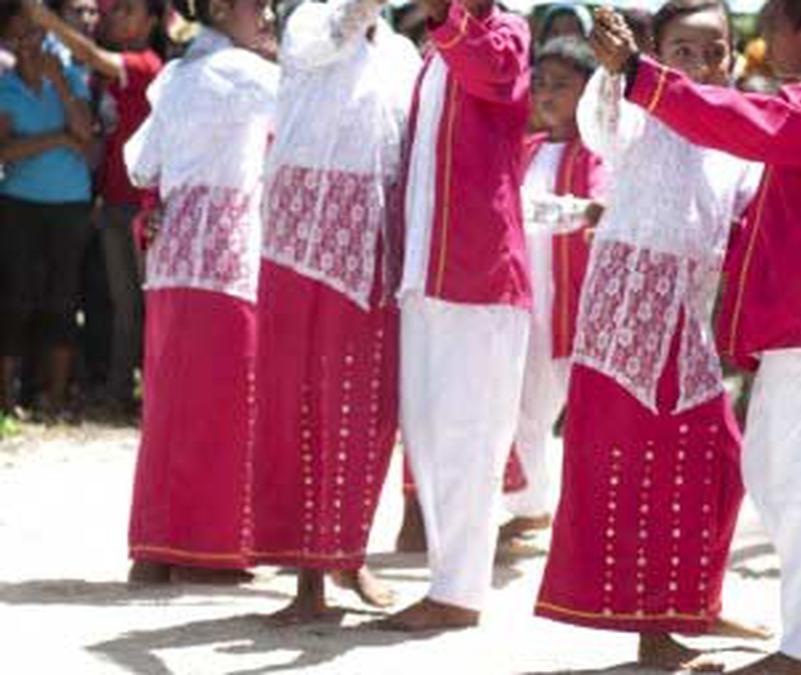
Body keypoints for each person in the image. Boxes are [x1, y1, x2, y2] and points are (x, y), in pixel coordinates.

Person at [591, 1, 801, 672]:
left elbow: (742, 122)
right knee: (776, 472)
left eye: (773, 26)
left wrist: (643, 76)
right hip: (796, 325)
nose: (762, 41)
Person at [535, 2, 765, 670]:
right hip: (629, 310)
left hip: (687, 313)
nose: (699, 65)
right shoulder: (638, 109)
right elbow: (600, 127)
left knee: (721, 461)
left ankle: (696, 599)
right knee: (642, 469)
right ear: (657, 55)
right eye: (683, 52)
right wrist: (616, 73)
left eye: (713, 51)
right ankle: (657, 634)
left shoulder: (737, 127)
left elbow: (753, 213)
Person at [251, 0, 421, 621]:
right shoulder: (306, 22)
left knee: (366, 412)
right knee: (302, 406)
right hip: (305, 246)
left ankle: (346, 554)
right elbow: (346, 21)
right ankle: (306, 581)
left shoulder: (404, 53)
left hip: (376, 251)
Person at [381, 0, 533, 632]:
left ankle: (459, 591)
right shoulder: (431, 53)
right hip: (426, 266)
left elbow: (493, 73)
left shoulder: (507, 32)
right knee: (427, 429)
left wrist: (445, 16)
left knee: (469, 435)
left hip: (478, 267)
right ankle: (448, 580)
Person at [122, 0, 277, 584]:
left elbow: (142, 165)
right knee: (224, 399)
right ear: (219, 7)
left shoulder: (176, 75)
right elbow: (307, 125)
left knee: (168, 401)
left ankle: (155, 548)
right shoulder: (250, 74)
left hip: (172, 259)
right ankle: (208, 551)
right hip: (225, 257)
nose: (263, 13)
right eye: (255, 3)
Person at [29, 0, 168, 416]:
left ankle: (154, 394)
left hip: (143, 207)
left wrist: (43, 17)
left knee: (148, 307)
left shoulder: (146, 64)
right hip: (113, 205)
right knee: (123, 309)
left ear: (151, 20)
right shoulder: (115, 74)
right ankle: (119, 391)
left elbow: (90, 54)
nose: (113, 17)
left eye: (127, 11)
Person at [501, 36, 604, 540]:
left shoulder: (596, 155)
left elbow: (600, 211)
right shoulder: (527, 150)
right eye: (539, 82)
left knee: (583, 419)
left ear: (590, 91)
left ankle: (588, 518)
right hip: (527, 306)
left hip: (575, 309)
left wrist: (565, 212)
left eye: (562, 85)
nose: (546, 93)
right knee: (522, 413)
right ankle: (530, 508)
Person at [0, 1, 94, 419]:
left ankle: (55, 398)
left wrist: (59, 83)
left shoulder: (71, 75)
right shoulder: (4, 86)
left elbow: (86, 134)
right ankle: (6, 398)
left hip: (70, 203)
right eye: (19, 36)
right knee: (16, 298)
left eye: (34, 34)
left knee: (63, 297)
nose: (28, 44)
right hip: (19, 202)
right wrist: (56, 140)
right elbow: (6, 151)